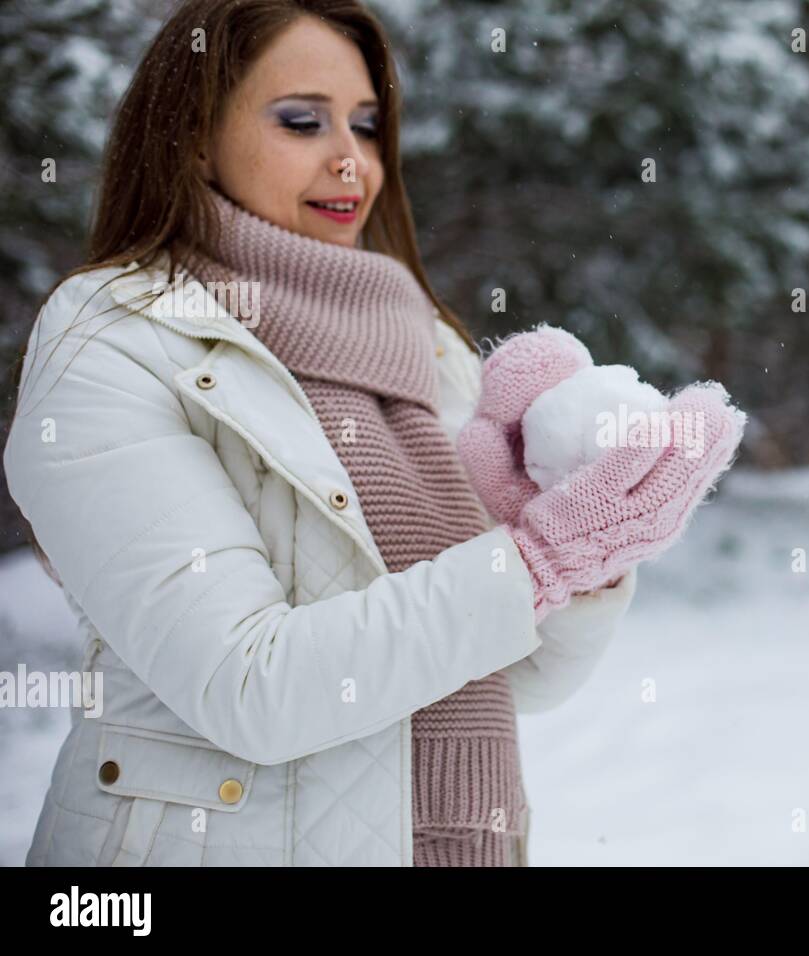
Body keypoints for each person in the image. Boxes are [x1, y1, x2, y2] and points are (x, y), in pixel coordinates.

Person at [3, 0, 744, 866]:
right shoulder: (115, 338)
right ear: (195, 139)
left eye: (364, 124)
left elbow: (514, 680)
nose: (351, 159)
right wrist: (538, 559)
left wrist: (588, 556)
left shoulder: (420, 341)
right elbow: (249, 686)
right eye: (301, 121)